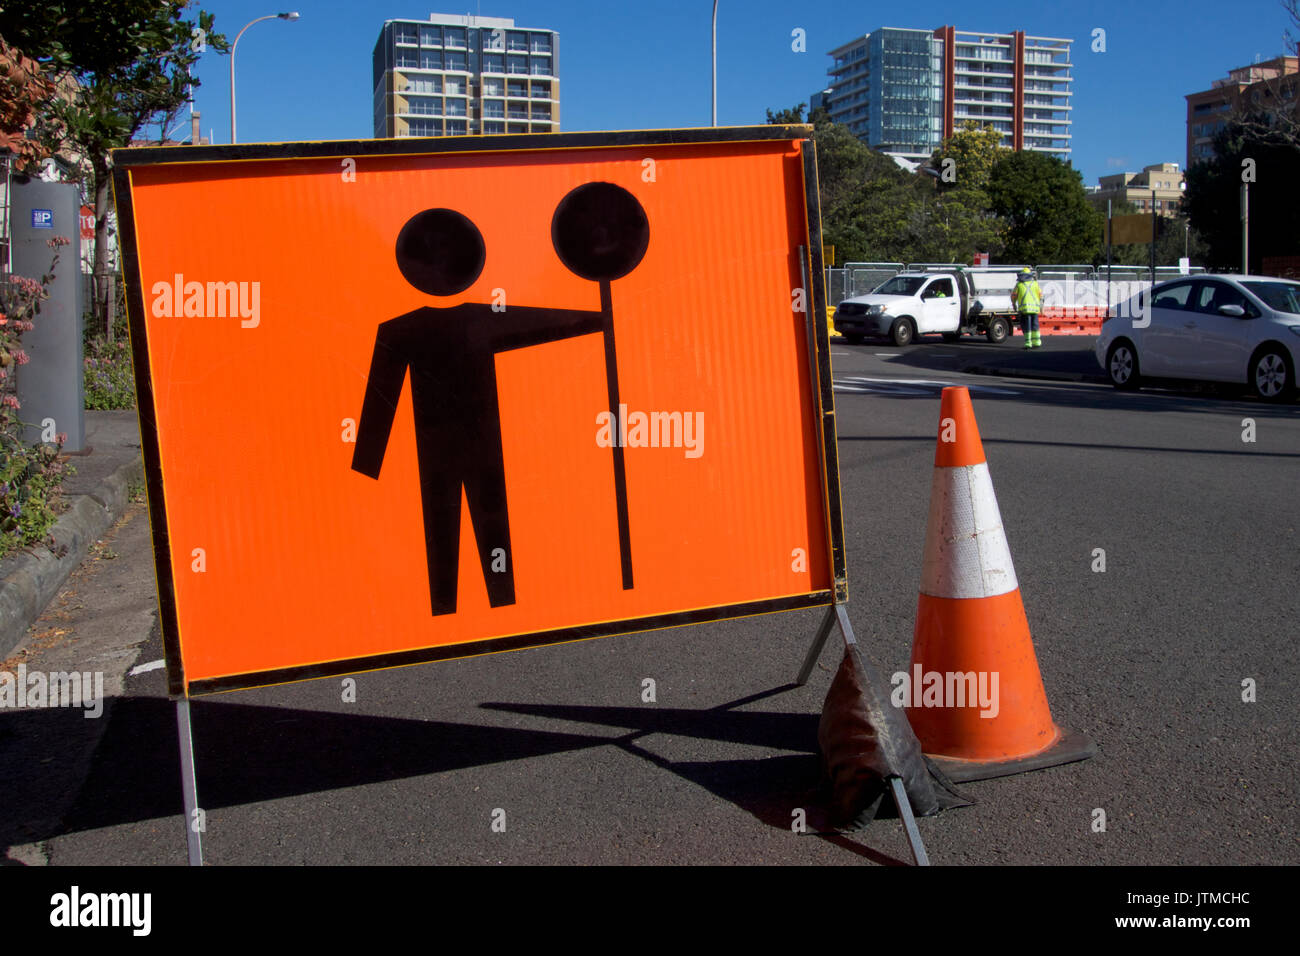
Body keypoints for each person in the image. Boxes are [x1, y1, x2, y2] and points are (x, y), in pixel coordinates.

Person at [1014, 269, 1042, 349]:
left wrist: (1013, 304)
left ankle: (1028, 343)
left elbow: (1014, 296)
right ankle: (1037, 342)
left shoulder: (1019, 285)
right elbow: (1041, 295)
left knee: (1027, 326)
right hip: (1035, 309)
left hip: (1025, 309)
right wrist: (1041, 307)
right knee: (1035, 325)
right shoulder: (1035, 284)